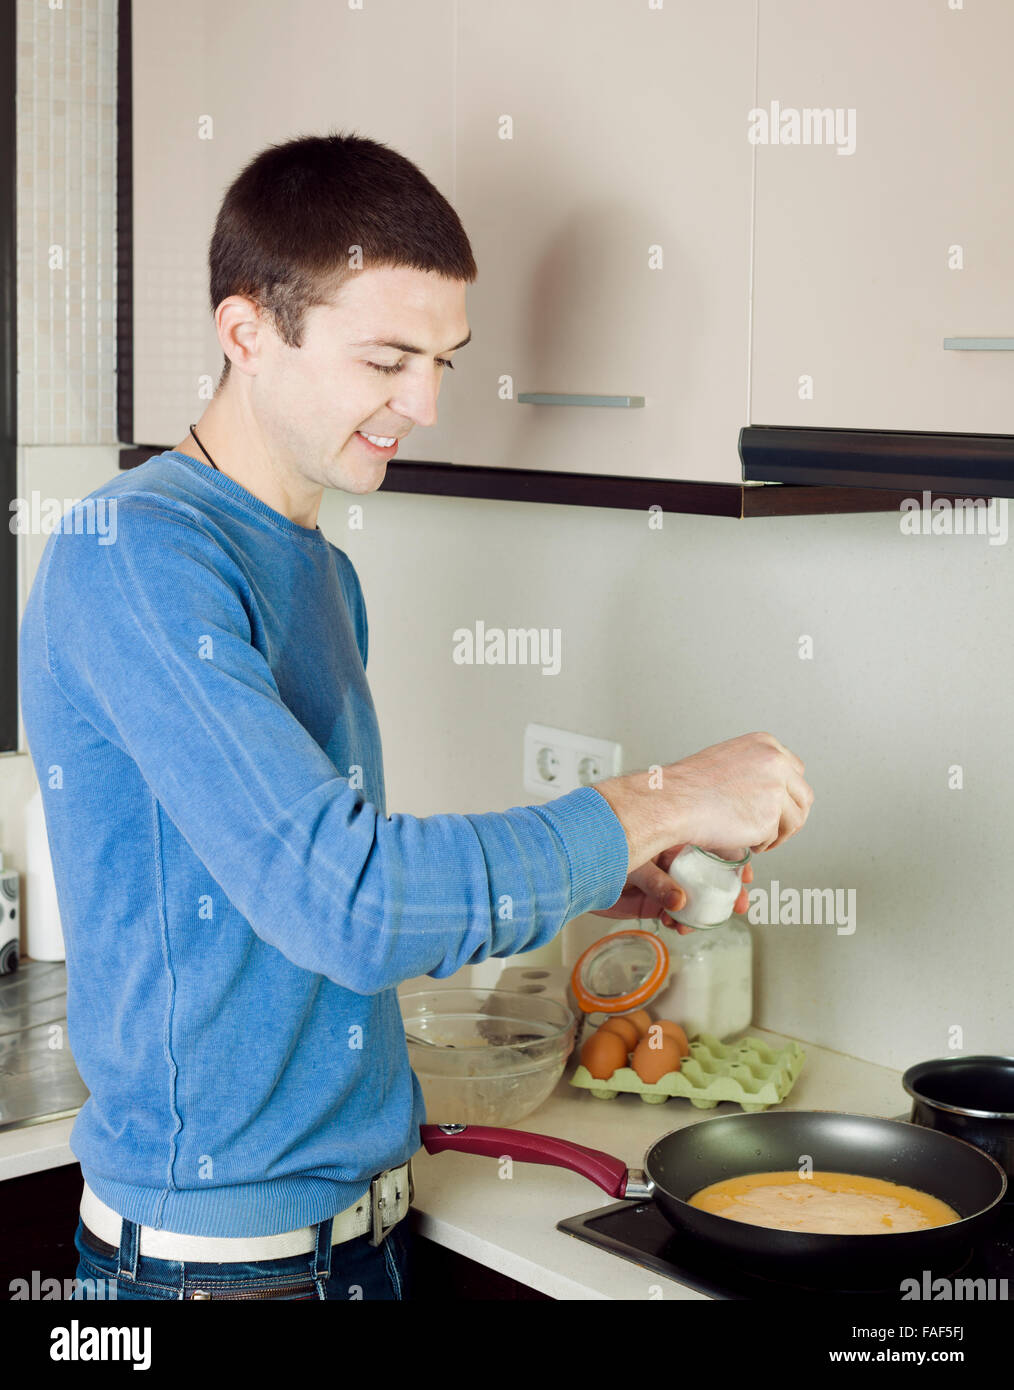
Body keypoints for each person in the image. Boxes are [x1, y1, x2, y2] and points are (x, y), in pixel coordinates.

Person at [17, 132, 813, 1302]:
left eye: (444, 360)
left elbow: (318, 869)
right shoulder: (136, 553)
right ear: (246, 333)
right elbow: (346, 905)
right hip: (214, 1275)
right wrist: (661, 797)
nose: (427, 403)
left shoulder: (321, 577)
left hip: (366, 1239)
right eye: (388, 359)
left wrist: (605, 861)